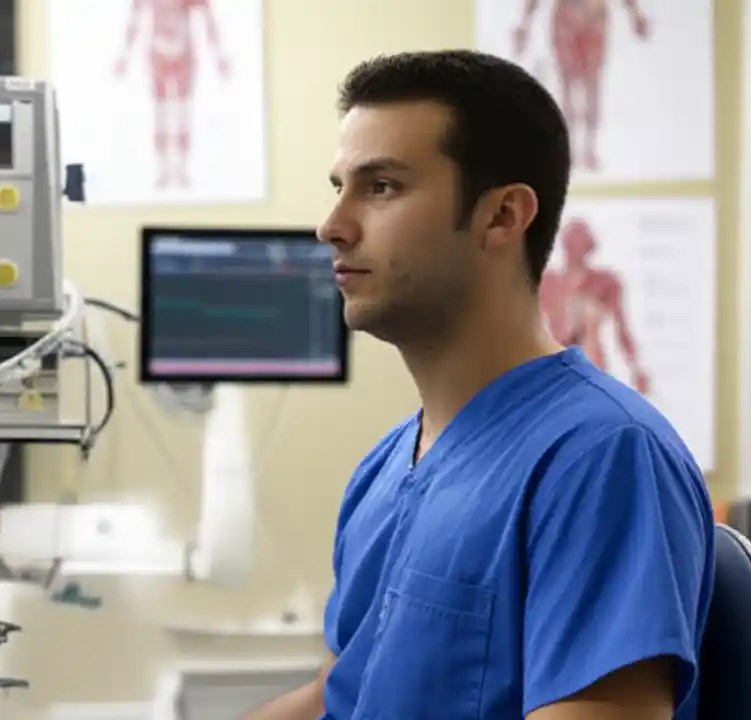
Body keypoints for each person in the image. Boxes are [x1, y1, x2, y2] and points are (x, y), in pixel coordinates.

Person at [242, 50, 712, 720]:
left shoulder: (603, 458)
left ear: (502, 217)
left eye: (381, 188)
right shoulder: (385, 466)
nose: (332, 226)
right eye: (338, 186)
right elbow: (338, 694)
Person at [512, 0, 650, 170]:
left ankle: (588, 148)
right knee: (569, 85)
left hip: (592, 19)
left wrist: (635, 15)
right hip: (568, 20)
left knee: (590, 85)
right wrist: (524, 24)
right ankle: (573, 148)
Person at [114, 0, 232, 189]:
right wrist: (124, 56)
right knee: (161, 113)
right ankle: (163, 169)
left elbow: (208, 20)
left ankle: (181, 168)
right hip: (159, 55)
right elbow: (134, 21)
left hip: (183, 54)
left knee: (182, 112)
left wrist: (219, 56)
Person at [539, 218, 650, 394]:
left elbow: (622, 329)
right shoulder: (548, 282)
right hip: (555, 369)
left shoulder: (604, 282)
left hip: (591, 365)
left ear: (589, 248)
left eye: (580, 245)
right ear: (564, 246)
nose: (574, 252)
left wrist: (635, 367)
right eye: (571, 245)